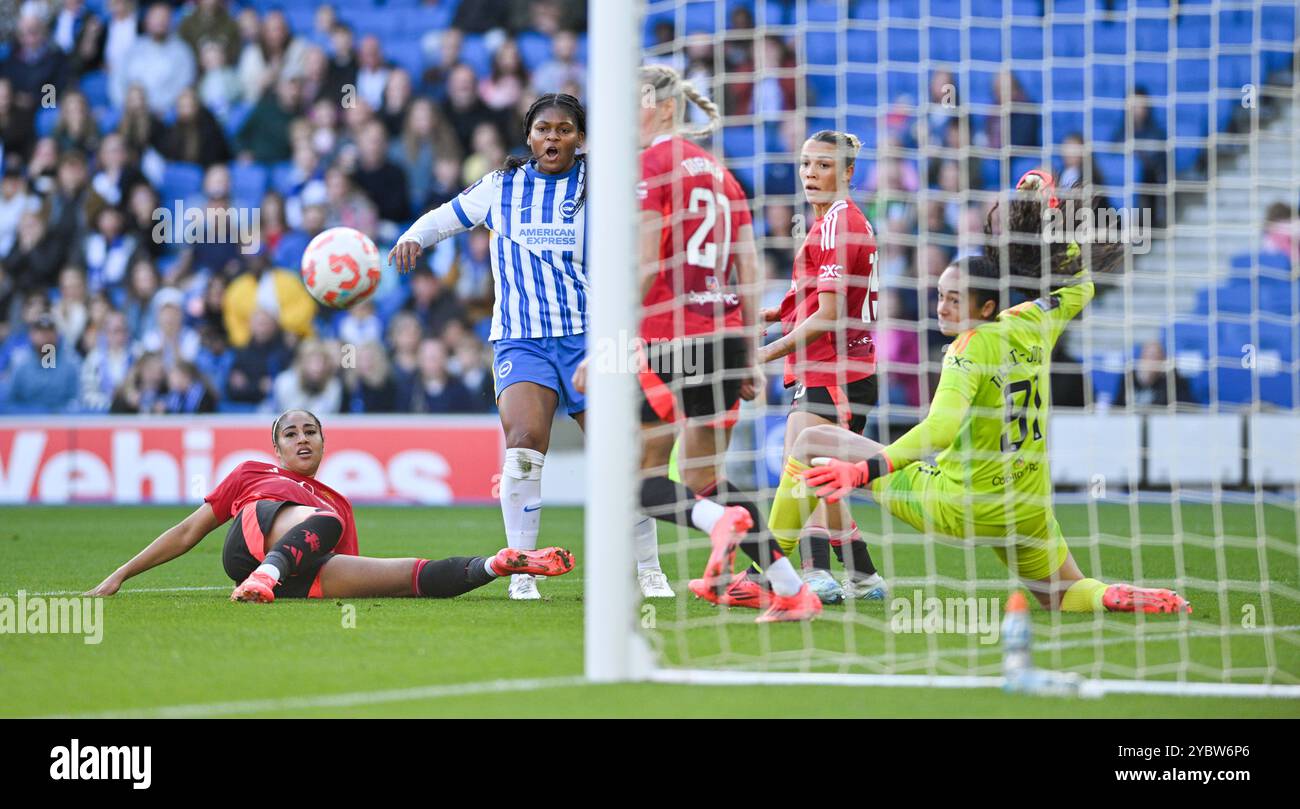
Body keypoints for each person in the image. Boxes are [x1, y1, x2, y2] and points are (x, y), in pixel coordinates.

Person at [776, 171, 1190, 615]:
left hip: (958, 506)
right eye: (940, 296)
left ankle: (768, 572)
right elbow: (1082, 284)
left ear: (986, 306)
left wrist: (862, 472)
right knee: (1063, 595)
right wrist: (1046, 213)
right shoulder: (1034, 324)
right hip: (1026, 507)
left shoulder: (966, 350)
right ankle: (1112, 594)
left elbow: (938, 430)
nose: (941, 308)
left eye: (955, 299)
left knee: (808, 439)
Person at [583, 64, 817, 622]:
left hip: (669, 338)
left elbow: (646, 265)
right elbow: (750, 266)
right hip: (723, 339)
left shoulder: (651, 166)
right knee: (703, 480)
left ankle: (720, 526)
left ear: (665, 108)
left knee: (632, 479)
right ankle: (791, 590)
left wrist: (609, 344)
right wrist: (748, 348)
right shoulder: (720, 172)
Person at [389, 94, 598, 600]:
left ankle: (650, 571)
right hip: (520, 338)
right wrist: (412, 236)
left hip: (591, 337)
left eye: (565, 129)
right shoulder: (500, 187)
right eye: (544, 129)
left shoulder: (600, 187)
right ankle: (522, 570)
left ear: (580, 138)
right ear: (528, 136)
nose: (553, 138)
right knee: (524, 443)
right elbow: (446, 217)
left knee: (619, 454)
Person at [87, 410, 574, 602]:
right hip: (247, 556)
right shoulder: (254, 474)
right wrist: (120, 575)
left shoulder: (334, 502)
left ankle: (497, 563)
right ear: (276, 448)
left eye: (310, 432)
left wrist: (491, 565)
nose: (302, 439)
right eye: (291, 434)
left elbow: (339, 563)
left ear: (323, 442)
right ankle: (264, 577)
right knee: (326, 519)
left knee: (407, 577)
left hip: (300, 573)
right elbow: (188, 532)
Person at [756, 130, 887, 604]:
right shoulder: (841, 221)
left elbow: (830, 315)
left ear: (848, 172)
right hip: (840, 369)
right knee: (820, 479)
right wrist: (779, 314)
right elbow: (824, 300)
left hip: (834, 371)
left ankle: (805, 574)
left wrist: (766, 353)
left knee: (806, 476)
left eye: (824, 165)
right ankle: (863, 576)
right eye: (806, 164)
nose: (811, 174)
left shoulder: (835, 223)